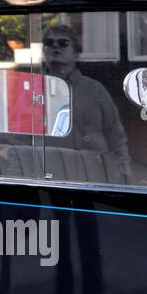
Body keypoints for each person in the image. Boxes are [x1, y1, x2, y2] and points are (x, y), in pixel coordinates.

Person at [40, 23, 132, 184]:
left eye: (63, 43)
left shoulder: (95, 90)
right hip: (47, 175)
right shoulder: (33, 88)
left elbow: (116, 136)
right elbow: (19, 140)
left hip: (91, 174)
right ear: (43, 51)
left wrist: (125, 175)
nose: (55, 46)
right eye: (49, 43)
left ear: (76, 54)